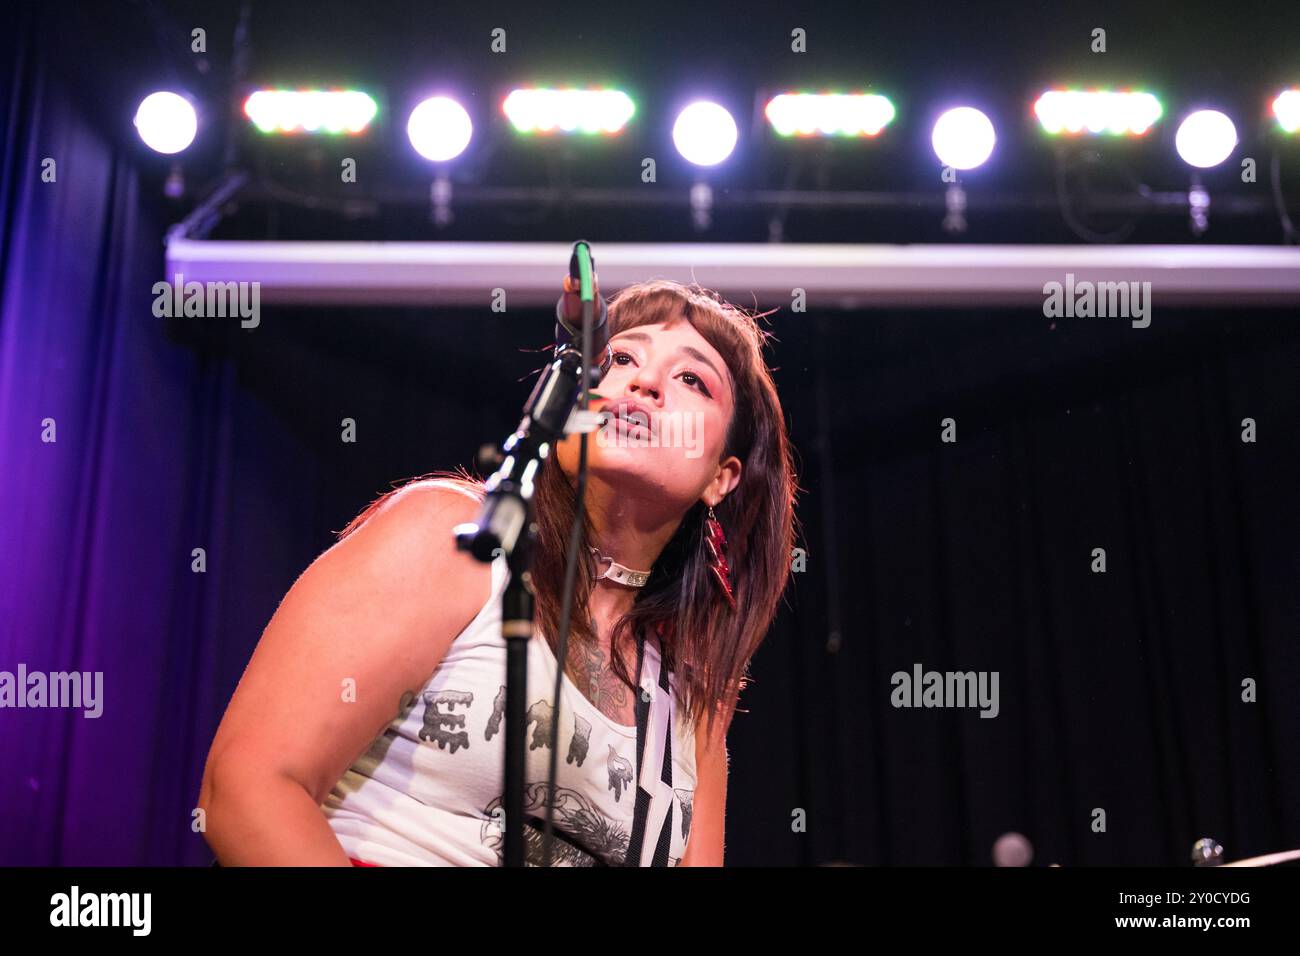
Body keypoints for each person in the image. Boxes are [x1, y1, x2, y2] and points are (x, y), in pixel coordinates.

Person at [197, 278, 800, 866]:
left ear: (722, 478)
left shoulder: (693, 688)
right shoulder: (455, 537)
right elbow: (250, 788)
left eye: (691, 378)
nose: (642, 383)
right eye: (618, 358)